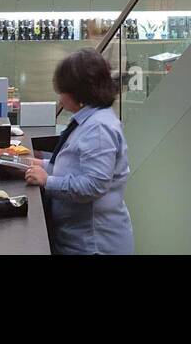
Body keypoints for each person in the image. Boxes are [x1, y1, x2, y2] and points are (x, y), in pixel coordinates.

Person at [25, 50, 133, 254]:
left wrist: (47, 181)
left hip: (94, 244)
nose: (60, 97)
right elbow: (73, 168)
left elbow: (93, 185)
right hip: (76, 239)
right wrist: (39, 165)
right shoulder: (88, 121)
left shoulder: (99, 128)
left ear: (78, 92)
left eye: (63, 91)